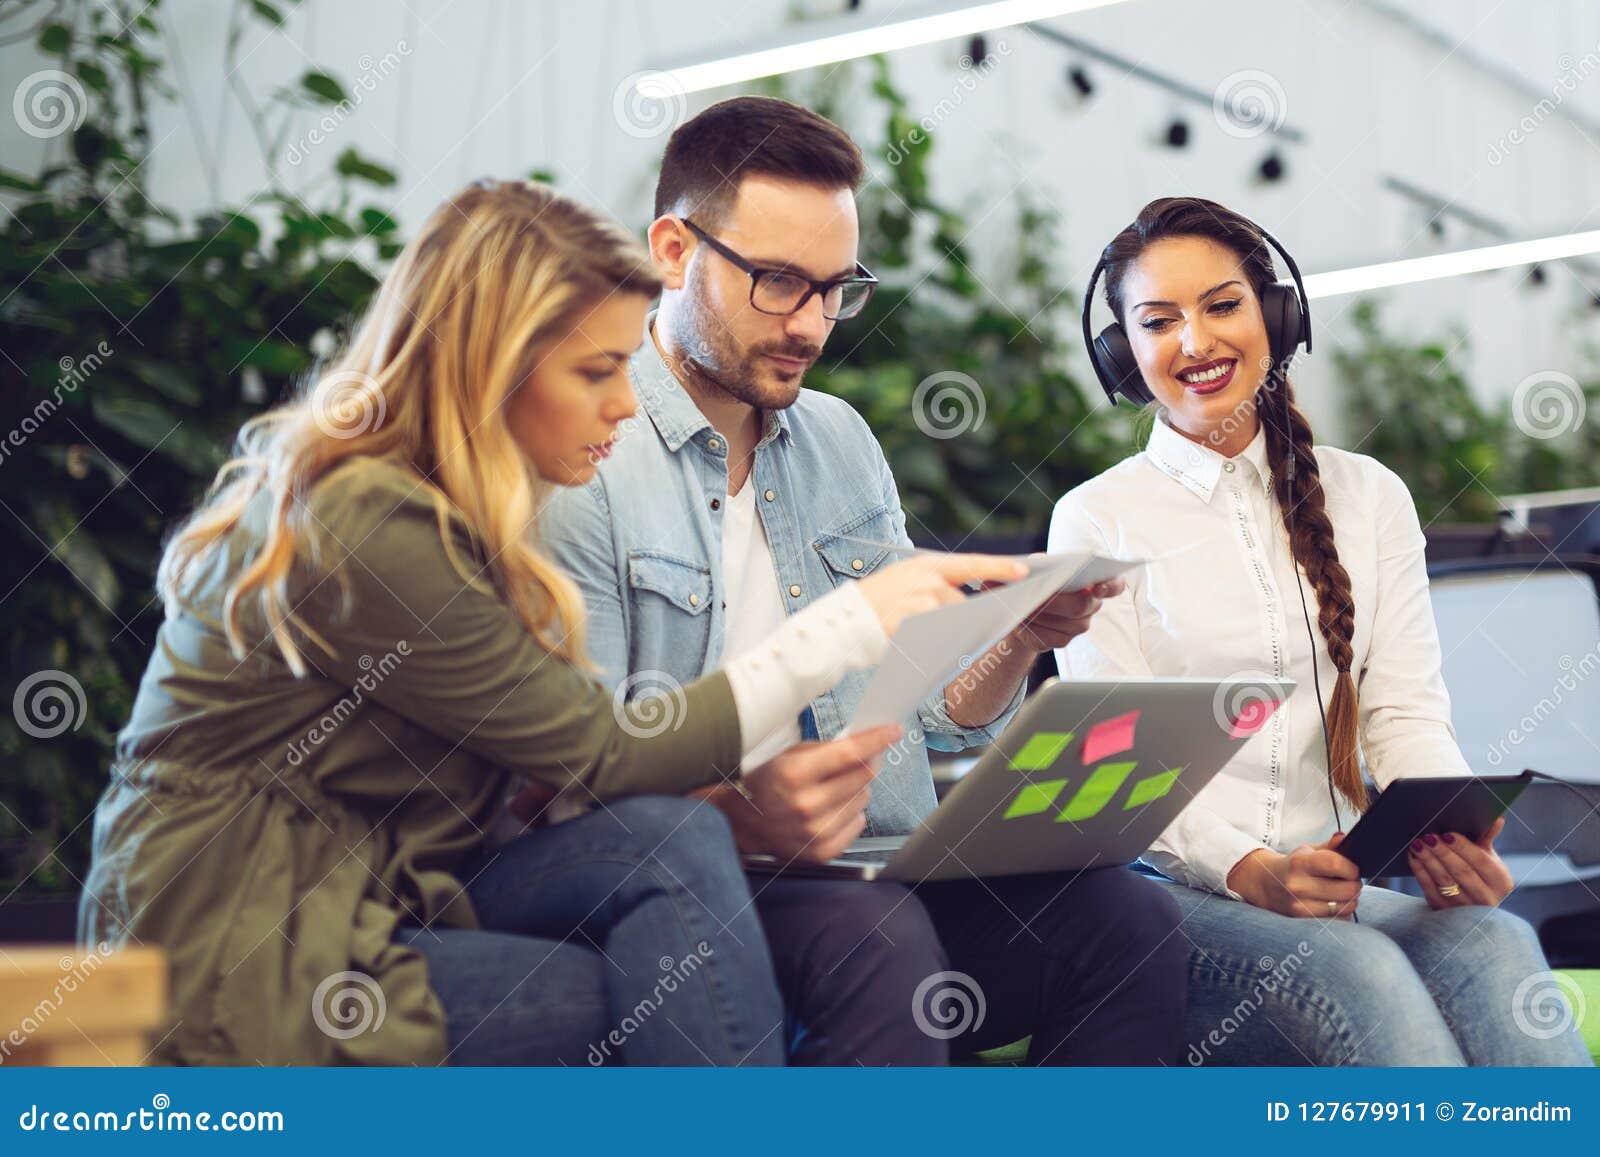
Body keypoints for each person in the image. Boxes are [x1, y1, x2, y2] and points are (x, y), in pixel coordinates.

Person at [76, 178, 1025, 1066]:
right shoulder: (368, 521)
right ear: (492, 366)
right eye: (597, 368)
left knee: (668, 870)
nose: (625, 401)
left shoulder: (466, 517)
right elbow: (605, 749)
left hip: (376, 899)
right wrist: (848, 623)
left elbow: (548, 765)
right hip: (239, 933)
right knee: (630, 963)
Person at [537, 96, 1187, 1066]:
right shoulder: (590, 450)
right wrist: (740, 810)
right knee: (880, 942)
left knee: (1129, 918)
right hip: (710, 871)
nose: (810, 323)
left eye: (835, 288)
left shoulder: (838, 441)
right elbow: (569, 781)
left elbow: (927, 714)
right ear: (673, 250)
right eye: (777, 282)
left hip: (877, 860)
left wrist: (1021, 635)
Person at [1051, 195, 1592, 1066]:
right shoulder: (1095, 519)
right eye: (1158, 321)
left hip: (1333, 890)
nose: (1194, 343)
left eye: (1222, 305)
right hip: (1174, 894)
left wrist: (1451, 835)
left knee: (1498, 944)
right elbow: (1121, 769)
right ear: (1122, 354)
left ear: (1275, 315)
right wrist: (1251, 868)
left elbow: (1406, 713)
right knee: (1360, 973)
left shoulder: (1369, 495)